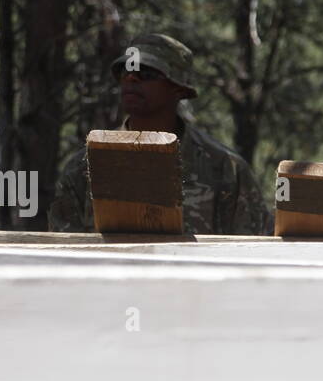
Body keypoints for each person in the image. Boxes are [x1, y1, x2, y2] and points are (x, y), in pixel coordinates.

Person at [48, 33, 272, 235]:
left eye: (145, 73)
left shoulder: (225, 169)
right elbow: (62, 255)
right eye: (125, 71)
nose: (131, 79)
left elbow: (253, 250)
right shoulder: (83, 168)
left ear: (178, 88)